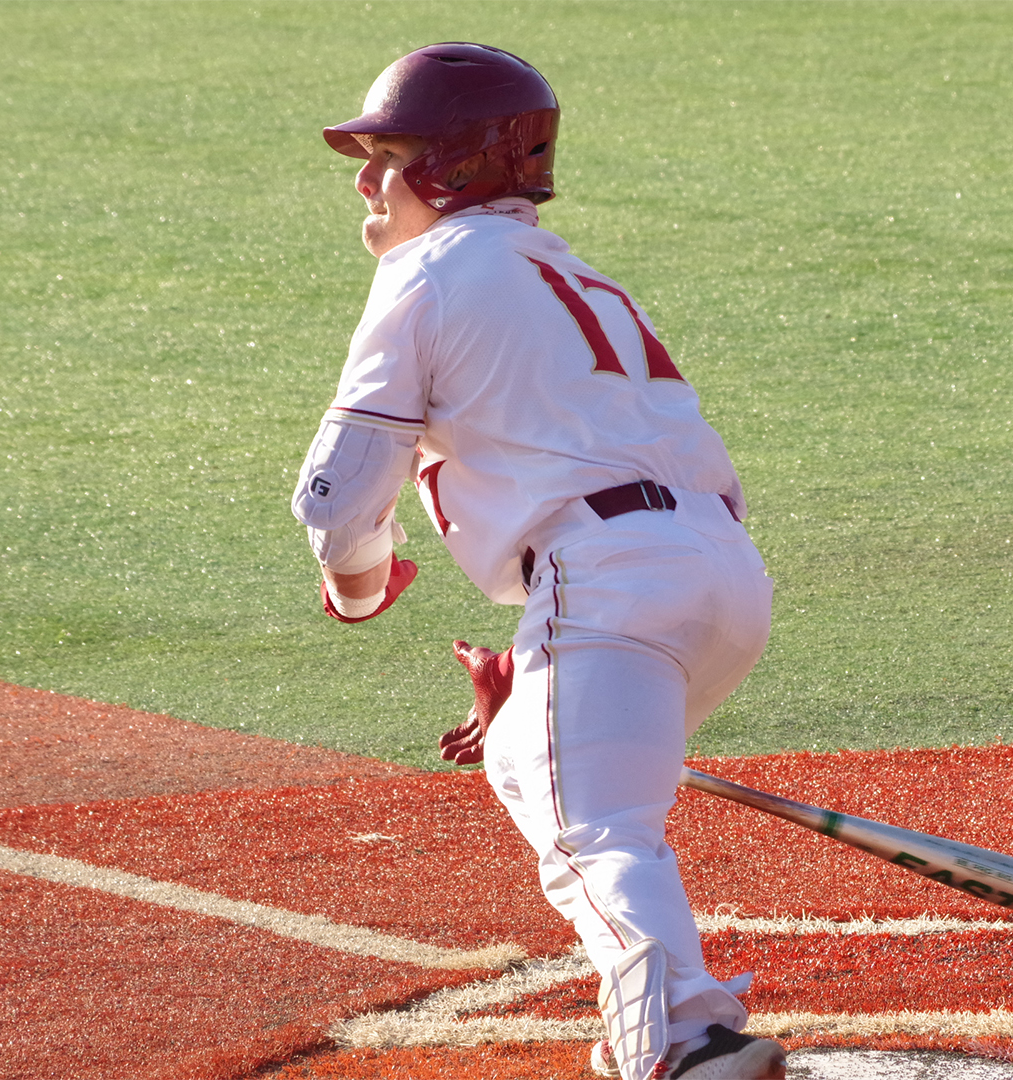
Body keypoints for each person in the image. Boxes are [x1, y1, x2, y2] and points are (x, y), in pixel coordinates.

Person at [290, 43, 785, 1080]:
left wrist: (360, 591)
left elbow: (337, 497)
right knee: (534, 761)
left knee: (592, 828)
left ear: (454, 166)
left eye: (386, 155)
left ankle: (686, 1042)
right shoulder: (571, 272)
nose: (363, 181)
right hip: (720, 575)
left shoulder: (429, 268)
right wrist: (542, 666)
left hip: (610, 577)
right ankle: (665, 1026)